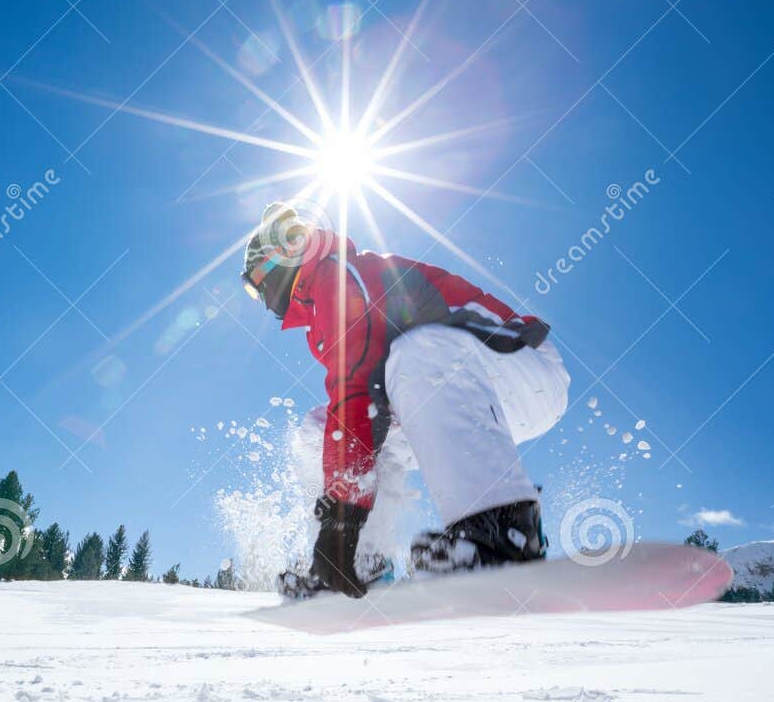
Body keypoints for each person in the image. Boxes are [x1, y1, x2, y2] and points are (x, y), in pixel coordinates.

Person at [241, 202, 569, 598]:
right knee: (318, 429)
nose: (260, 289)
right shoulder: (318, 304)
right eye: (251, 284)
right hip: (451, 398)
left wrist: (342, 520)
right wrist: (340, 528)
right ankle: (361, 565)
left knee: (415, 352)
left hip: (518, 365)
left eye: (259, 274)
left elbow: (357, 390)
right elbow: (364, 405)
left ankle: (503, 533)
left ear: (291, 249)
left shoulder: (338, 275)